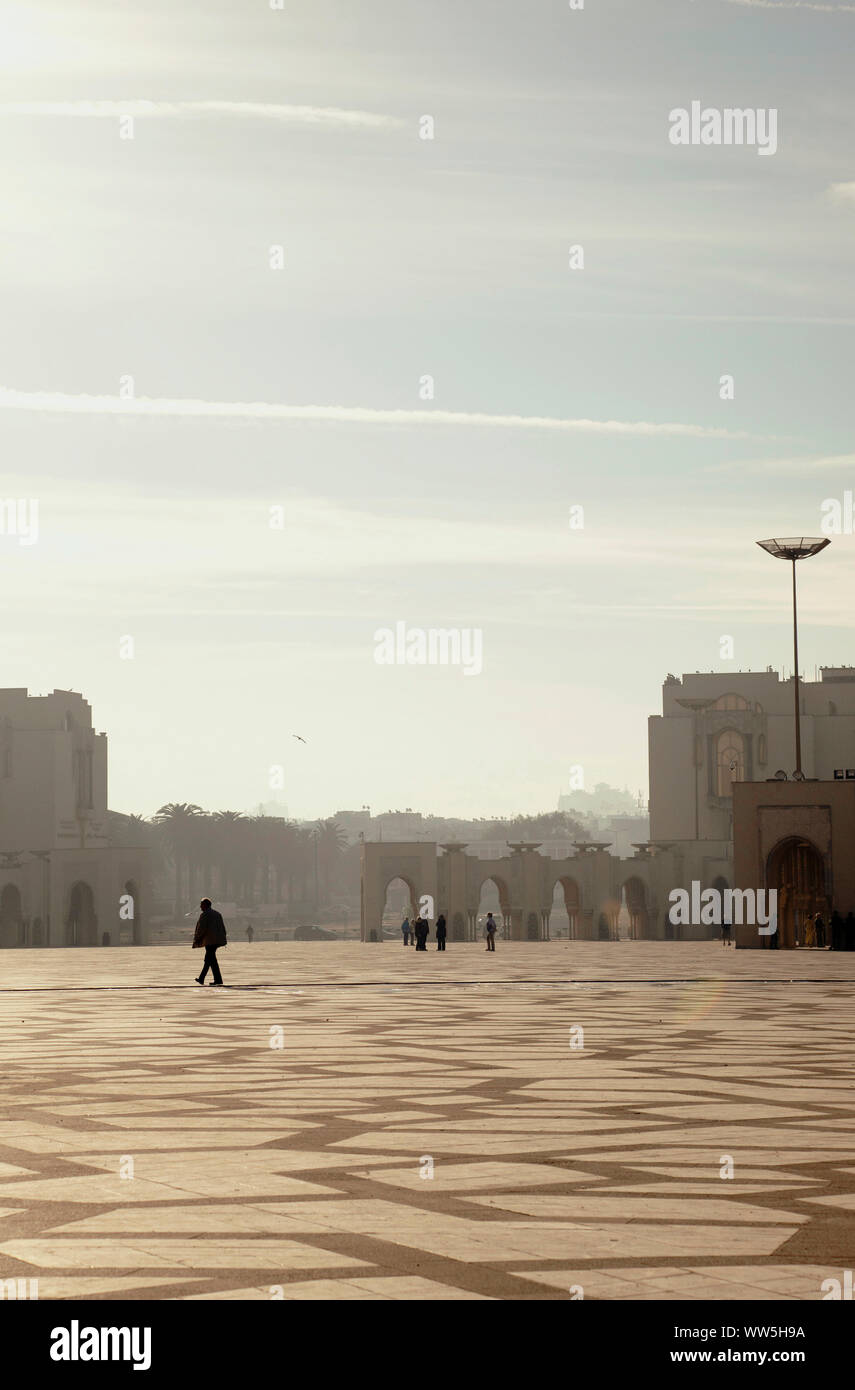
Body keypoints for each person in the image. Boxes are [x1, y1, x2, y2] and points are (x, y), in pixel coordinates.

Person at [193, 898, 228, 985]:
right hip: (217, 940)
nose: (200, 907)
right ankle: (214, 979)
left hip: (210, 940)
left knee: (209, 959)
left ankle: (204, 978)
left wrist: (197, 938)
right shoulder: (217, 914)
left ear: (205, 905)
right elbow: (223, 928)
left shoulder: (205, 915)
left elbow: (201, 929)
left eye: (201, 905)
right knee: (211, 960)